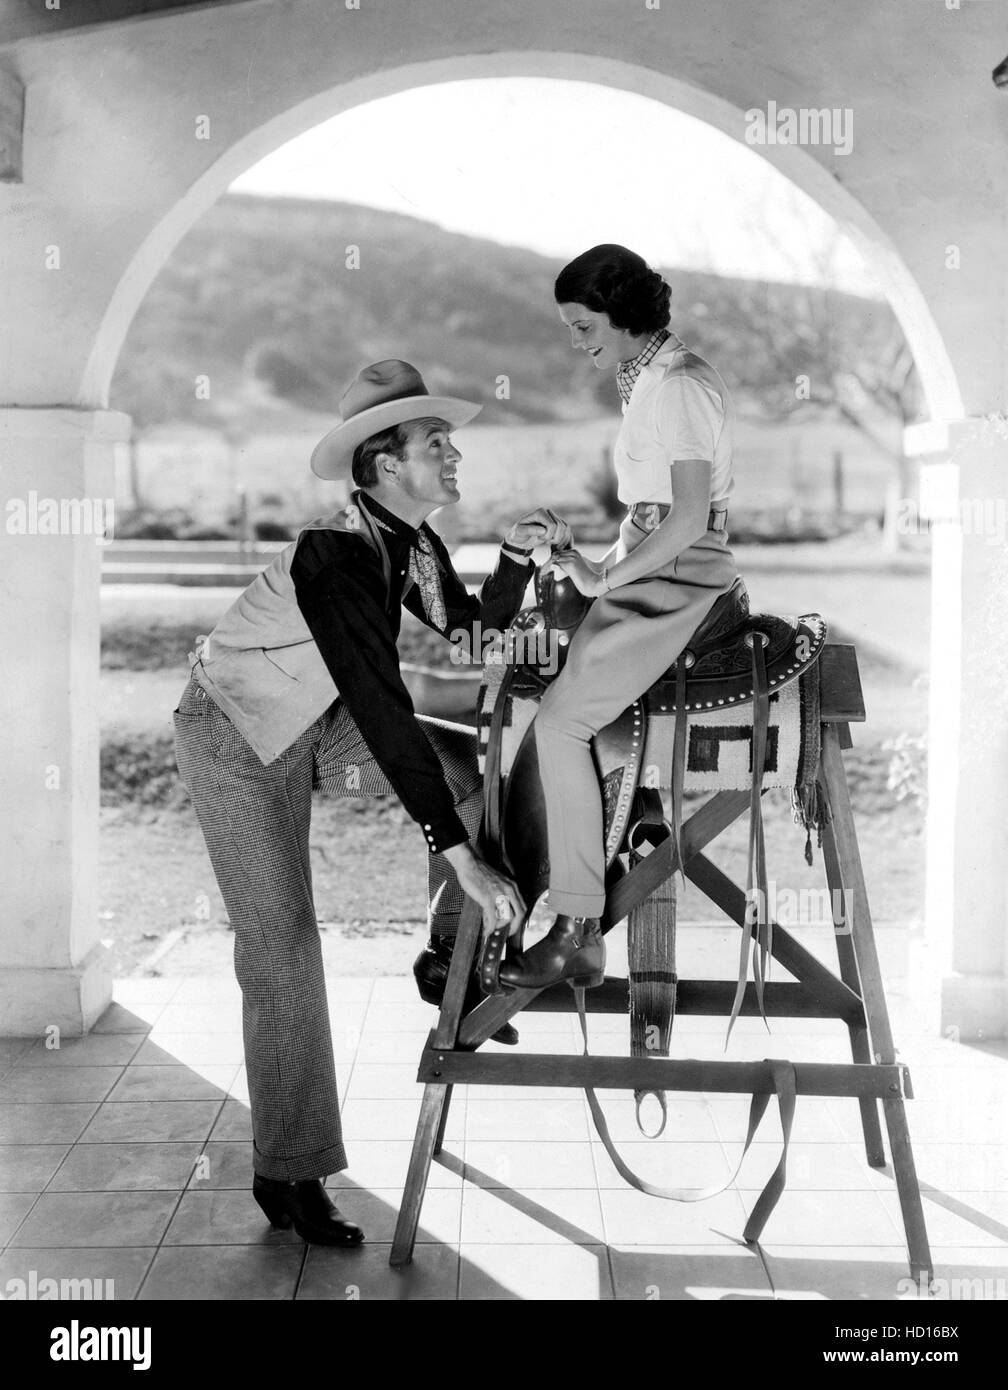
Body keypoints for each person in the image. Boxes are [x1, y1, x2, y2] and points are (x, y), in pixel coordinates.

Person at [173, 359, 570, 1244]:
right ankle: (290, 1172)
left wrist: (511, 560)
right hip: (234, 737)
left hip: (317, 726)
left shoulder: (410, 546)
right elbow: (383, 705)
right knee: (282, 951)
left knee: (465, 774)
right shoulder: (338, 555)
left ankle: (444, 965)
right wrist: (458, 855)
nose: (455, 453)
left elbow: (470, 636)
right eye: (438, 443)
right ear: (387, 464)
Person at [497, 245, 740, 992]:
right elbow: (650, 515)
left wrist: (606, 574)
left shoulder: (679, 386)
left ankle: (575, 930)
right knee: (552, 679)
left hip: (682, 578)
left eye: (583, 325)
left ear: (622, 311)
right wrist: (580, 556)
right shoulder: (649, 383)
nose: (577, 344)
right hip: (654, 565)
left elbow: (691, 518)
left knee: (564, 722)